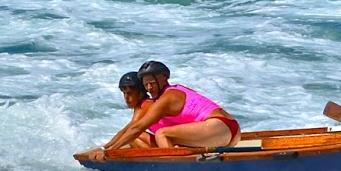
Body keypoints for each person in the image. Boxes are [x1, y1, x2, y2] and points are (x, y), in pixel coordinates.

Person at [103, 60, 240, 153]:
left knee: (162, 133)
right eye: (146, 85)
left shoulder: (167, 98)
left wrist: (107, 151)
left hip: (220, 127)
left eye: (152, 83)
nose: (150, 88)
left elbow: (137, 127)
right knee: (166, 135)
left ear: (164, 78)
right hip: (229, 130)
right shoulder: (178, 89)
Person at [112, 71, 155, 148]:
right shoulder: (145, 104)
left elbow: (129, 129)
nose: (126, 97)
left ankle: (154, 159)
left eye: (130, 93)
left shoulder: (146, 105)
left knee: (133, 136)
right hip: (165, 140)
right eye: (124, 93)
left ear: (141, 93)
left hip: (170, 143)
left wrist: (106, 148)